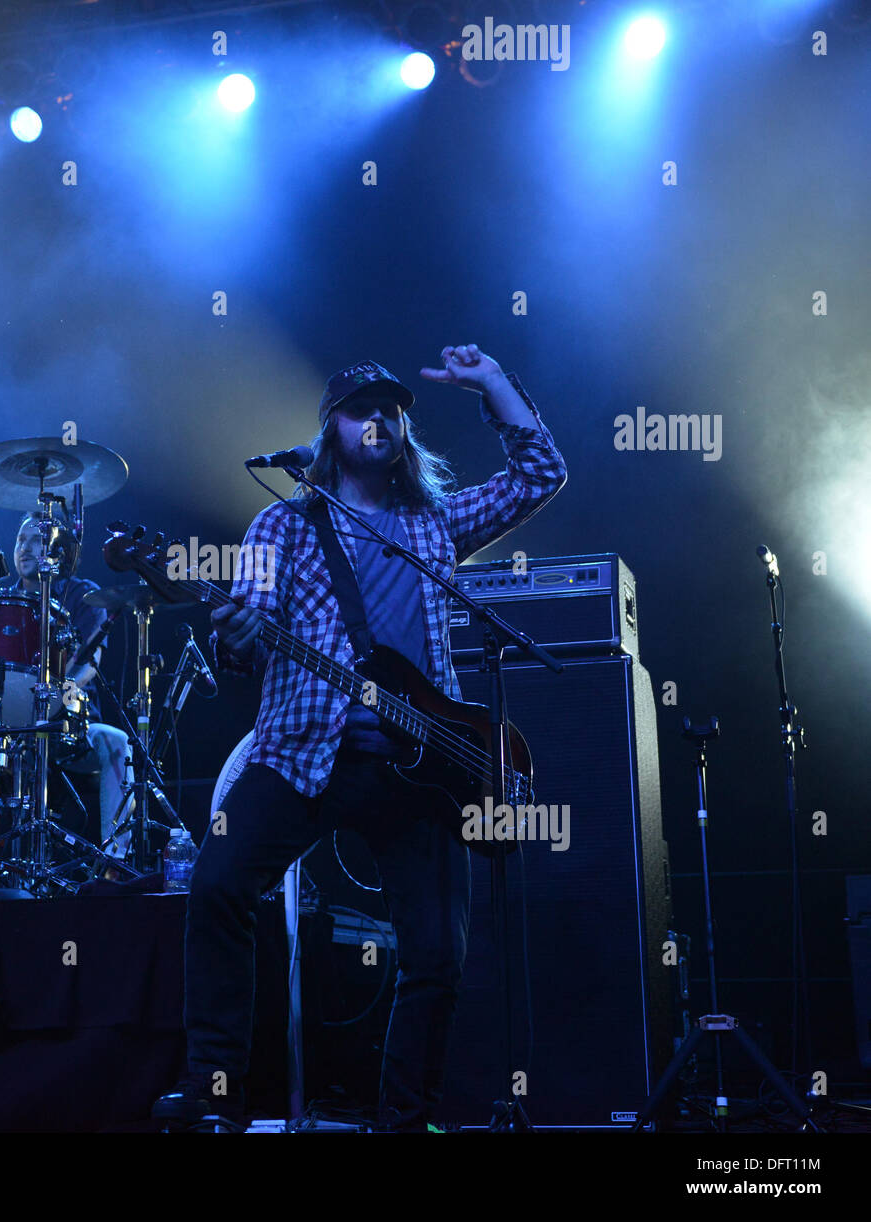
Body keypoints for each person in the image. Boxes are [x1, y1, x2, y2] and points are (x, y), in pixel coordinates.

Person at [152, 345, 567, 1131]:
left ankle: (405, 1119)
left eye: (391, 409)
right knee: (218, 888)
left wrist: (491, 383)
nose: (377, 420)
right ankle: (215, 1095)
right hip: (308, 751)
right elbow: (245, 625)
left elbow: (538, 476)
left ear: (404, 427)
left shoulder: (433, 522)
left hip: (429, 762)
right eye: (358, 409)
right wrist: (236, 631)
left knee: (438, 959)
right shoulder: (282, 521)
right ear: (328, 430)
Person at [10, 510, 132, 857]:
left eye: (36, 540)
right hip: (9, 723)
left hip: (70, 723)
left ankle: (115, 859)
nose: (25, 548)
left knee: (117, 742)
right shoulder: (1, 601)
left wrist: (57, 697)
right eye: (21, 540)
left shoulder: (83, 595)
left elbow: (88, 664)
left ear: (57, 552)